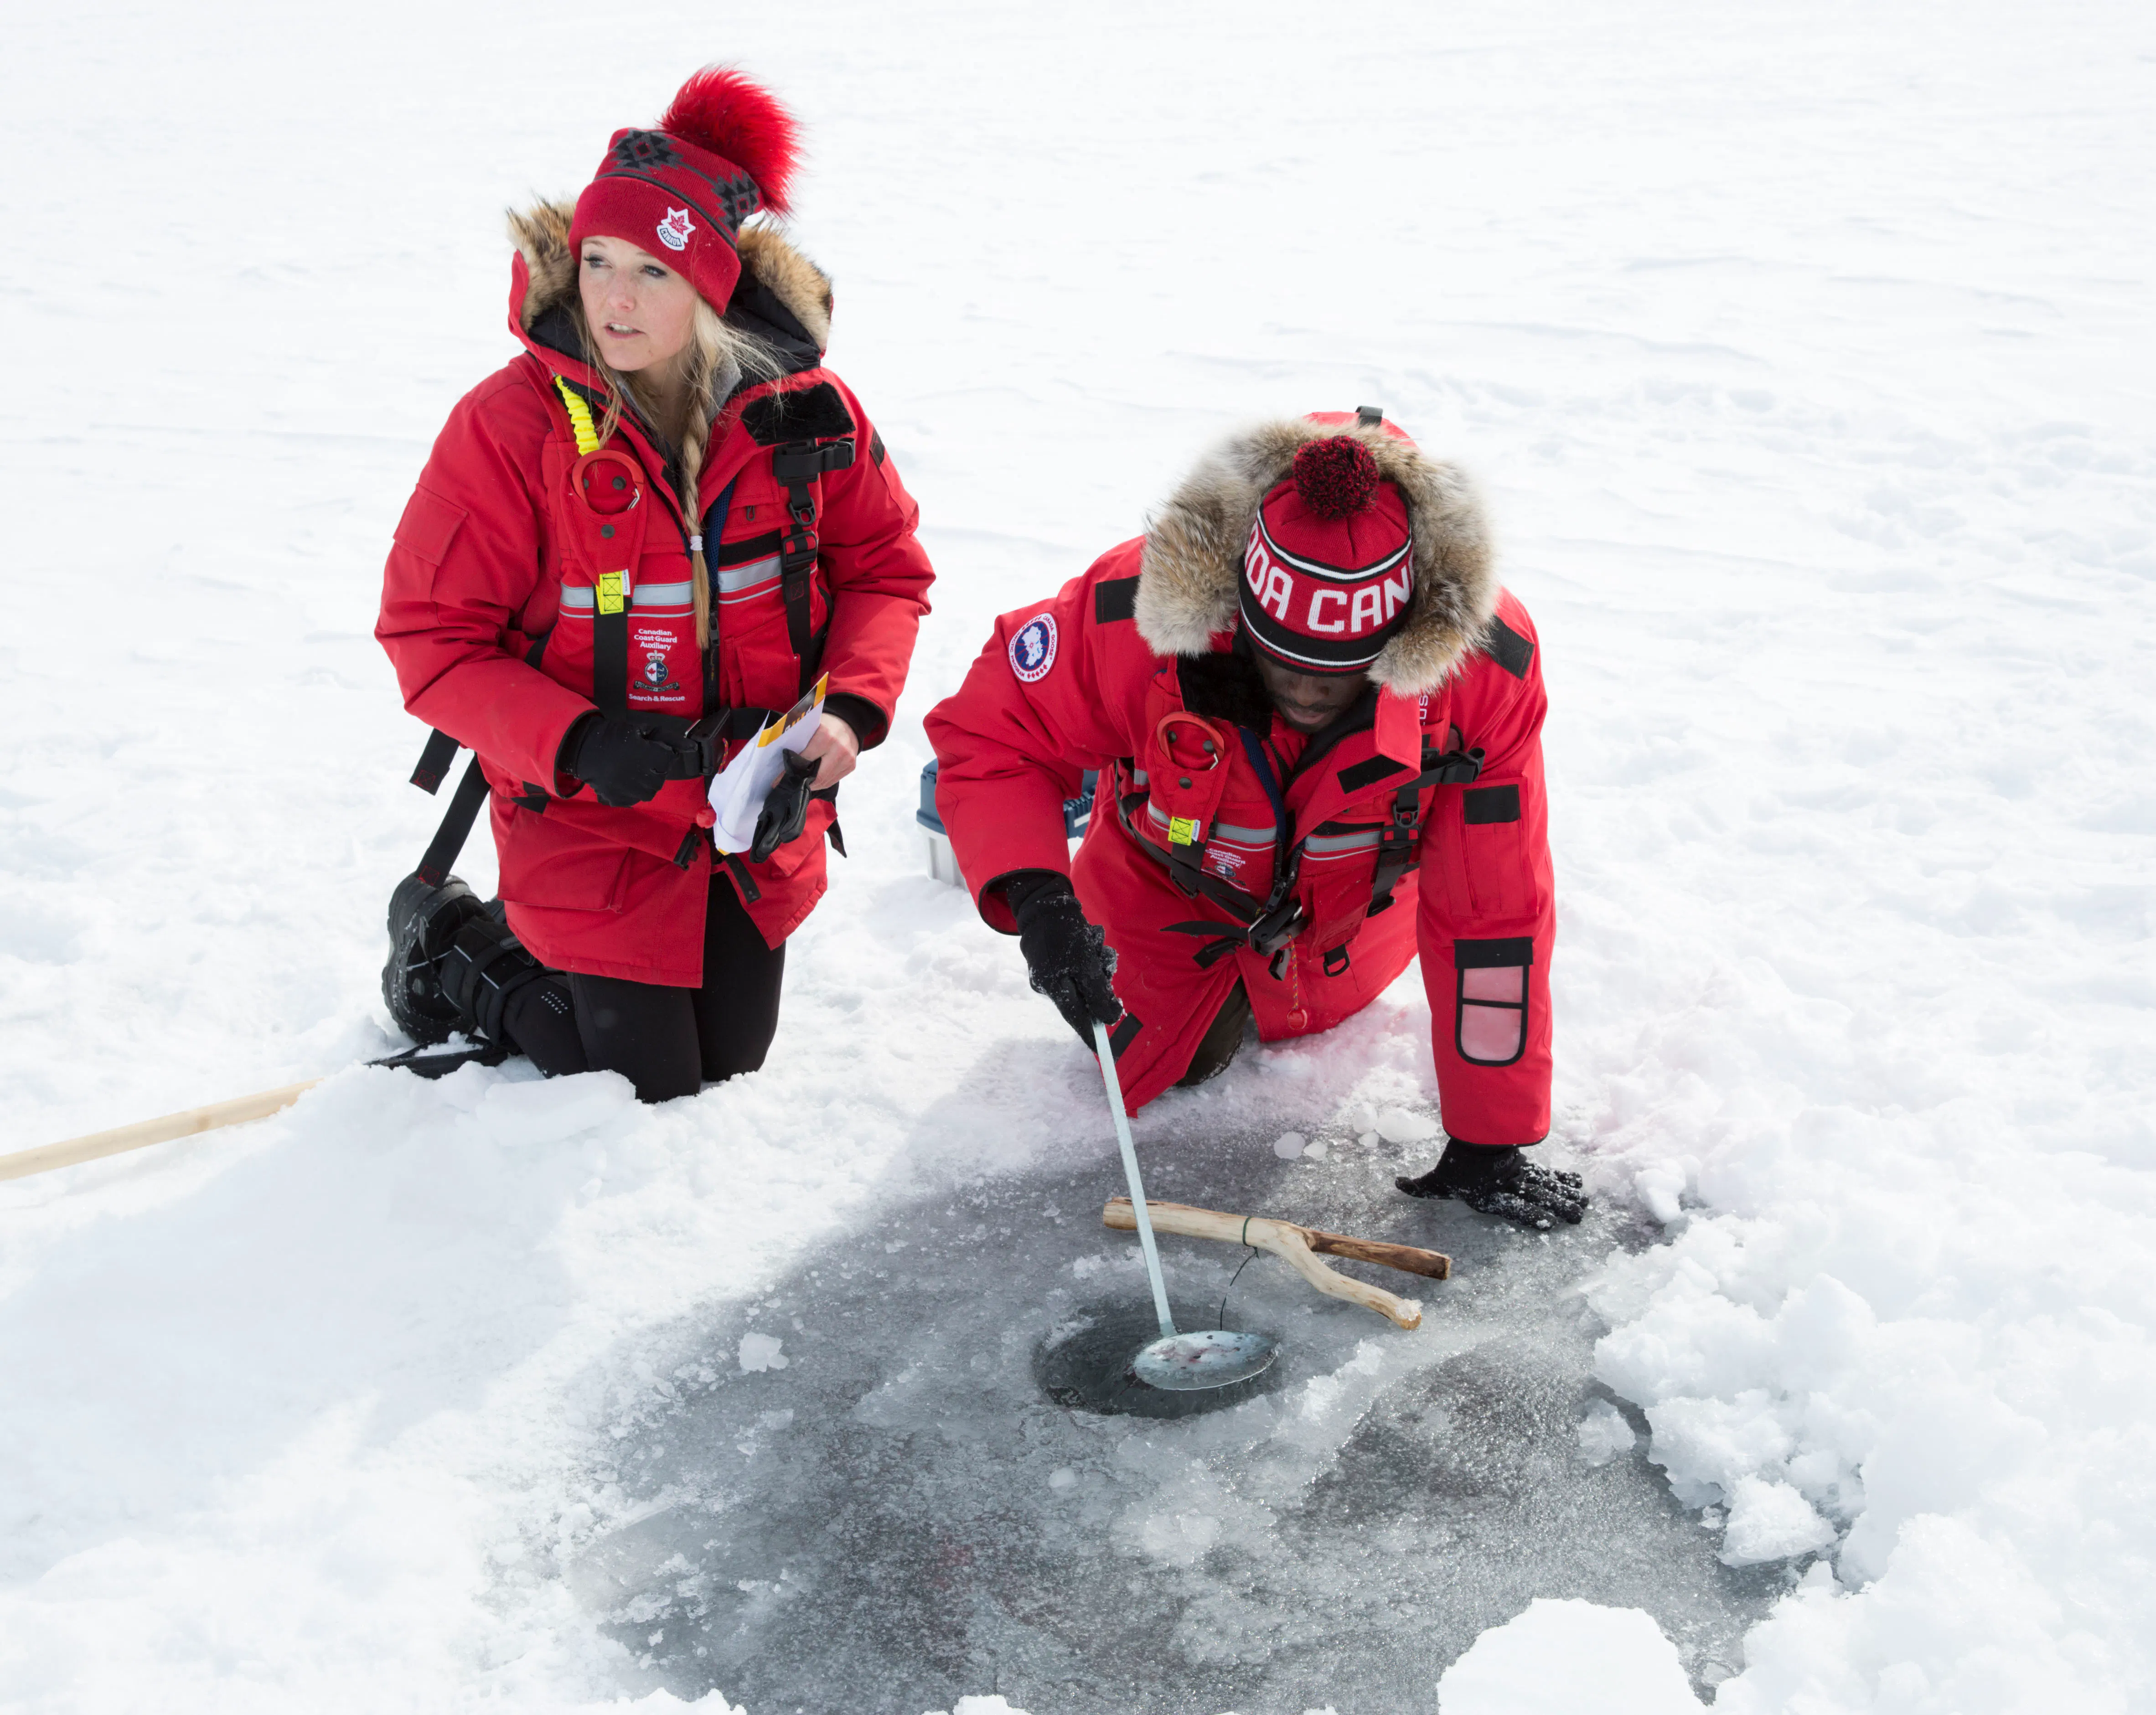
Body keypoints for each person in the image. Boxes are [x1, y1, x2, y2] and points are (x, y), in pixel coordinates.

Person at [376, 67, 934, 1101]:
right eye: (596, 261)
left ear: (715, 288)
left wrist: (854, 711)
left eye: (654, 272)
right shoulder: (510, 428)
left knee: (731, 1064)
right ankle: (452, 945)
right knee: (637, 1085)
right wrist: (580, 743)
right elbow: (431, 638)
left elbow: (885, 574)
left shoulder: (807, 414)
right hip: (588, 814)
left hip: (748, 818)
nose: (615, 299)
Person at [924, 411, 1582, 1229]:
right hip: (1159, 895)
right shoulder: (1133, 611)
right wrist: (1037, 899)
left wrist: (1491, 1136)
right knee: (1138, 1060)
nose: (1307, 693)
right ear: (1235, 616)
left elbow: (1496, 914)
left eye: (1336, 676)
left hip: (1350, 936)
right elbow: (996, 734)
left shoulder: (1485, 672)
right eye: (1285, 664)